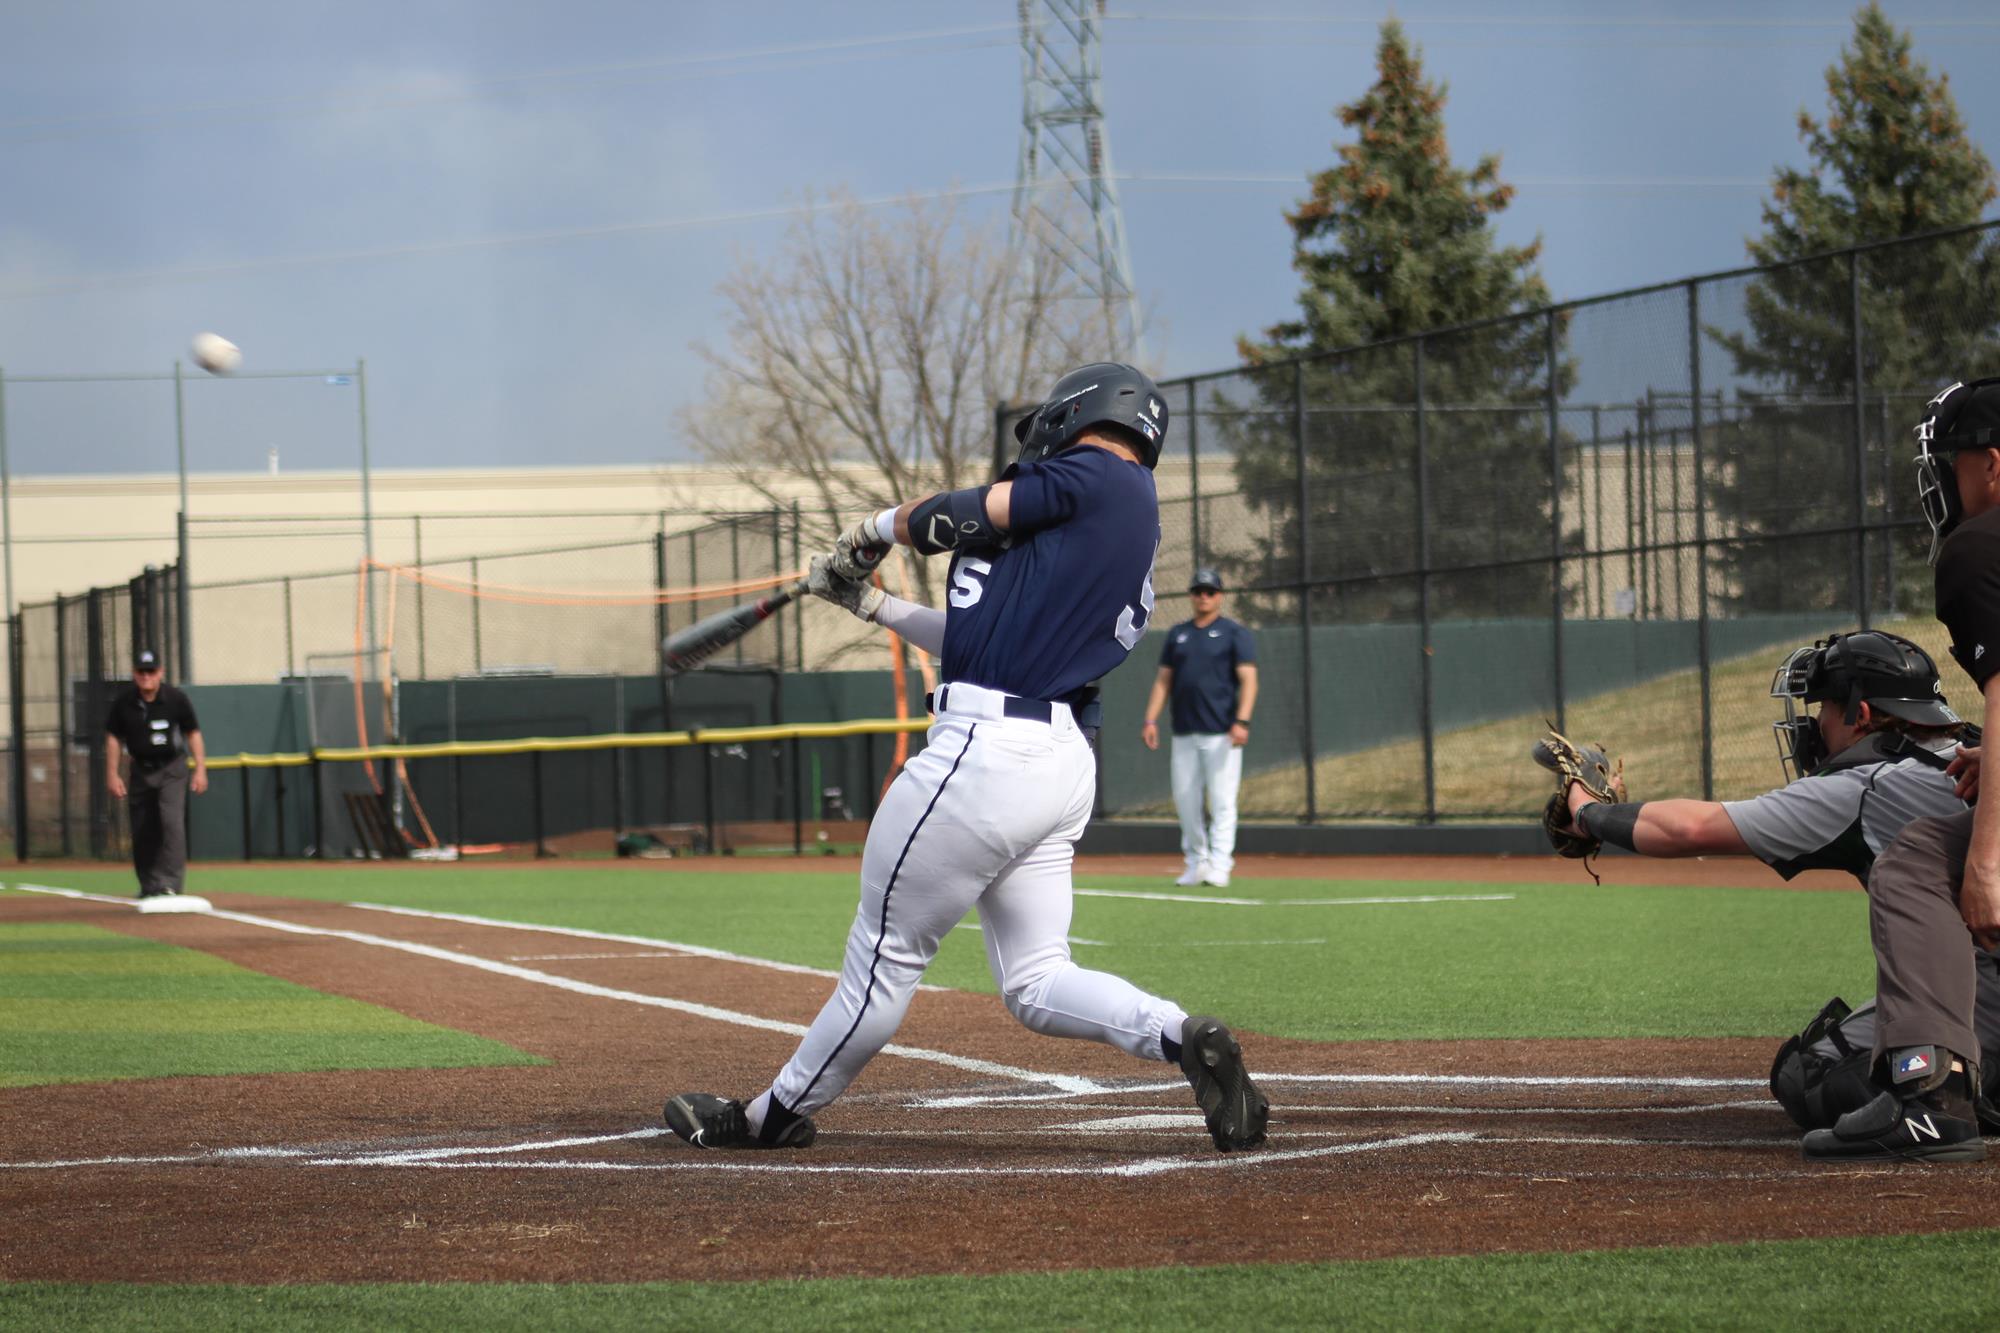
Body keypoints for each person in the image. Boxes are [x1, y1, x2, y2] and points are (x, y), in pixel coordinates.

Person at [661, 363, 1269, 1154]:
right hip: (1047, 761)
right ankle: (1183, 1036)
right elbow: (980, 643)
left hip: (986, 757)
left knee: (884, 961)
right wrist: (870, 602)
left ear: (1083, 411)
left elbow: (961, 513)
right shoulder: (1103, 532)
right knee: (1037, 979)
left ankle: (766, 1118)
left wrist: (871, 530)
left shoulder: (1102, 477)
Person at [1551, 630, 1998, 1130]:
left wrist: (1585, 808)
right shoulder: (1984, 750)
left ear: (1862, 714)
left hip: (1988, 996)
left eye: (1823, 706)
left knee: (1810, 1073)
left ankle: (1956, 1093)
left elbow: (1688, 828)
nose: (1815, 722)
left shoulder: (1864, 784)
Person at [1793, 377, 2000, 1162]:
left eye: (1952, 464)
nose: (1945, 481)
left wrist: (1984, 860)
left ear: (1992, 464)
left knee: (1918, 861)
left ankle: (1927, 1092)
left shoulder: (1980, 547)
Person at [1140, 568, 1257, 887]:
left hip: (1222, 733)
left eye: (1210, 592)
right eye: (1198, 591)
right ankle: (1197, 863)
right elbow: (1164, 680)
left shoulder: (1235, 633)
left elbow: (1248, 679)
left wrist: (1242, 721)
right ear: (1191, 595)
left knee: (1221, 800)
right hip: (1184, 733)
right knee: (1186, 800)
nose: (1203, 597)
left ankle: (1221, 864)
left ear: (1220, 596)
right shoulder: (1178, 634)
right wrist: (1151, 719)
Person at [103, 647, 208, 899]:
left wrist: (200, 769)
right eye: (141, 671)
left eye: (151, 671)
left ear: (160, 672)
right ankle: (149, 884)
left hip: (171, 768)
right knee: (142, 828)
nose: (146, 676)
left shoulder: (175, 699)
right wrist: (112, 773)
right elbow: (113, 738)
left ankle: (170, 884)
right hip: (140, 769)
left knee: (171, 823)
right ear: (134, 674)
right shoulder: (124, 702)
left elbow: (193, 733)